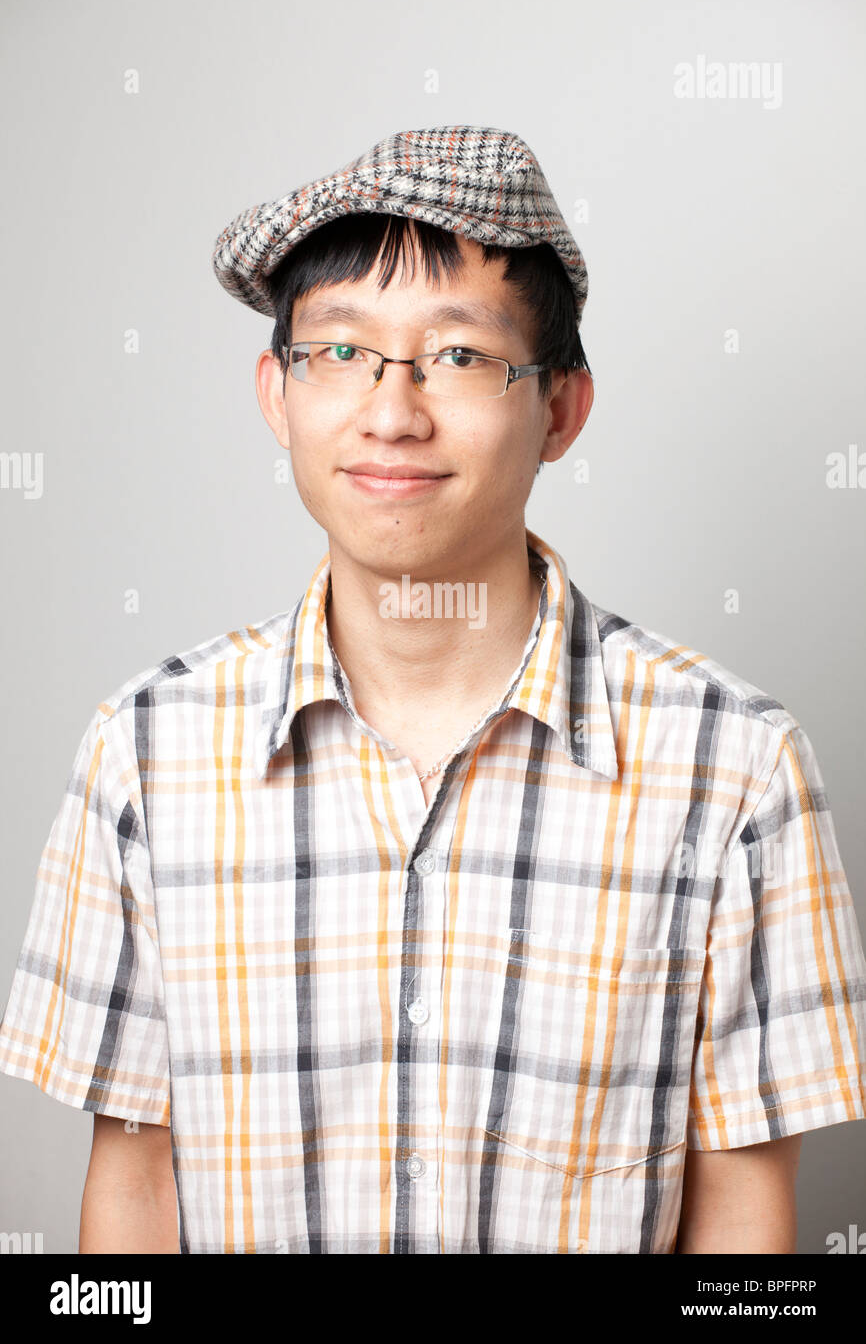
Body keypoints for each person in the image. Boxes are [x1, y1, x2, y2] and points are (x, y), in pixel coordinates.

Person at [1, 124, 864, 1255]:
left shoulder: (732, 764)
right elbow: (136, 1185)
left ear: (558, 409)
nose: (391, 410)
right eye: (340, 352)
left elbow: (740, 1217)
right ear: (277, 395)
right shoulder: (147, 755)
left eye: (457, 357)